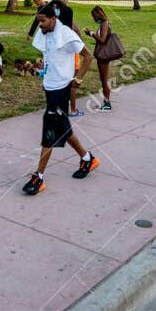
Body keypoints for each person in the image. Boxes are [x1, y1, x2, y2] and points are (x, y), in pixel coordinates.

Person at [22, 10, 99, 195]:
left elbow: (88, 56)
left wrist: (78, 79)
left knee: (49, 131)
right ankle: (88, 159)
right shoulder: (46, 34)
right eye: (38, 21)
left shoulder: (66, 35)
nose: (40, 25)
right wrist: (44, 75)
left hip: (61, 89)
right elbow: (50, 58)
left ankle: (39, 177)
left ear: (54, 19)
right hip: (51, 87)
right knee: (63, 129)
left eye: (43, 21)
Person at [88, 5, 124, 111]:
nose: (93, 18)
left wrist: (91, 34)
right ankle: (105, 101)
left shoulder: (104, 24)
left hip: (104, 56)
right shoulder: (103, 24)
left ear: (98, 14)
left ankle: (107, 103)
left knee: (104, 80)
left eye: (94, 15)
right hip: (101, 56)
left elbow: (103, 40)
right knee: (102, 79)